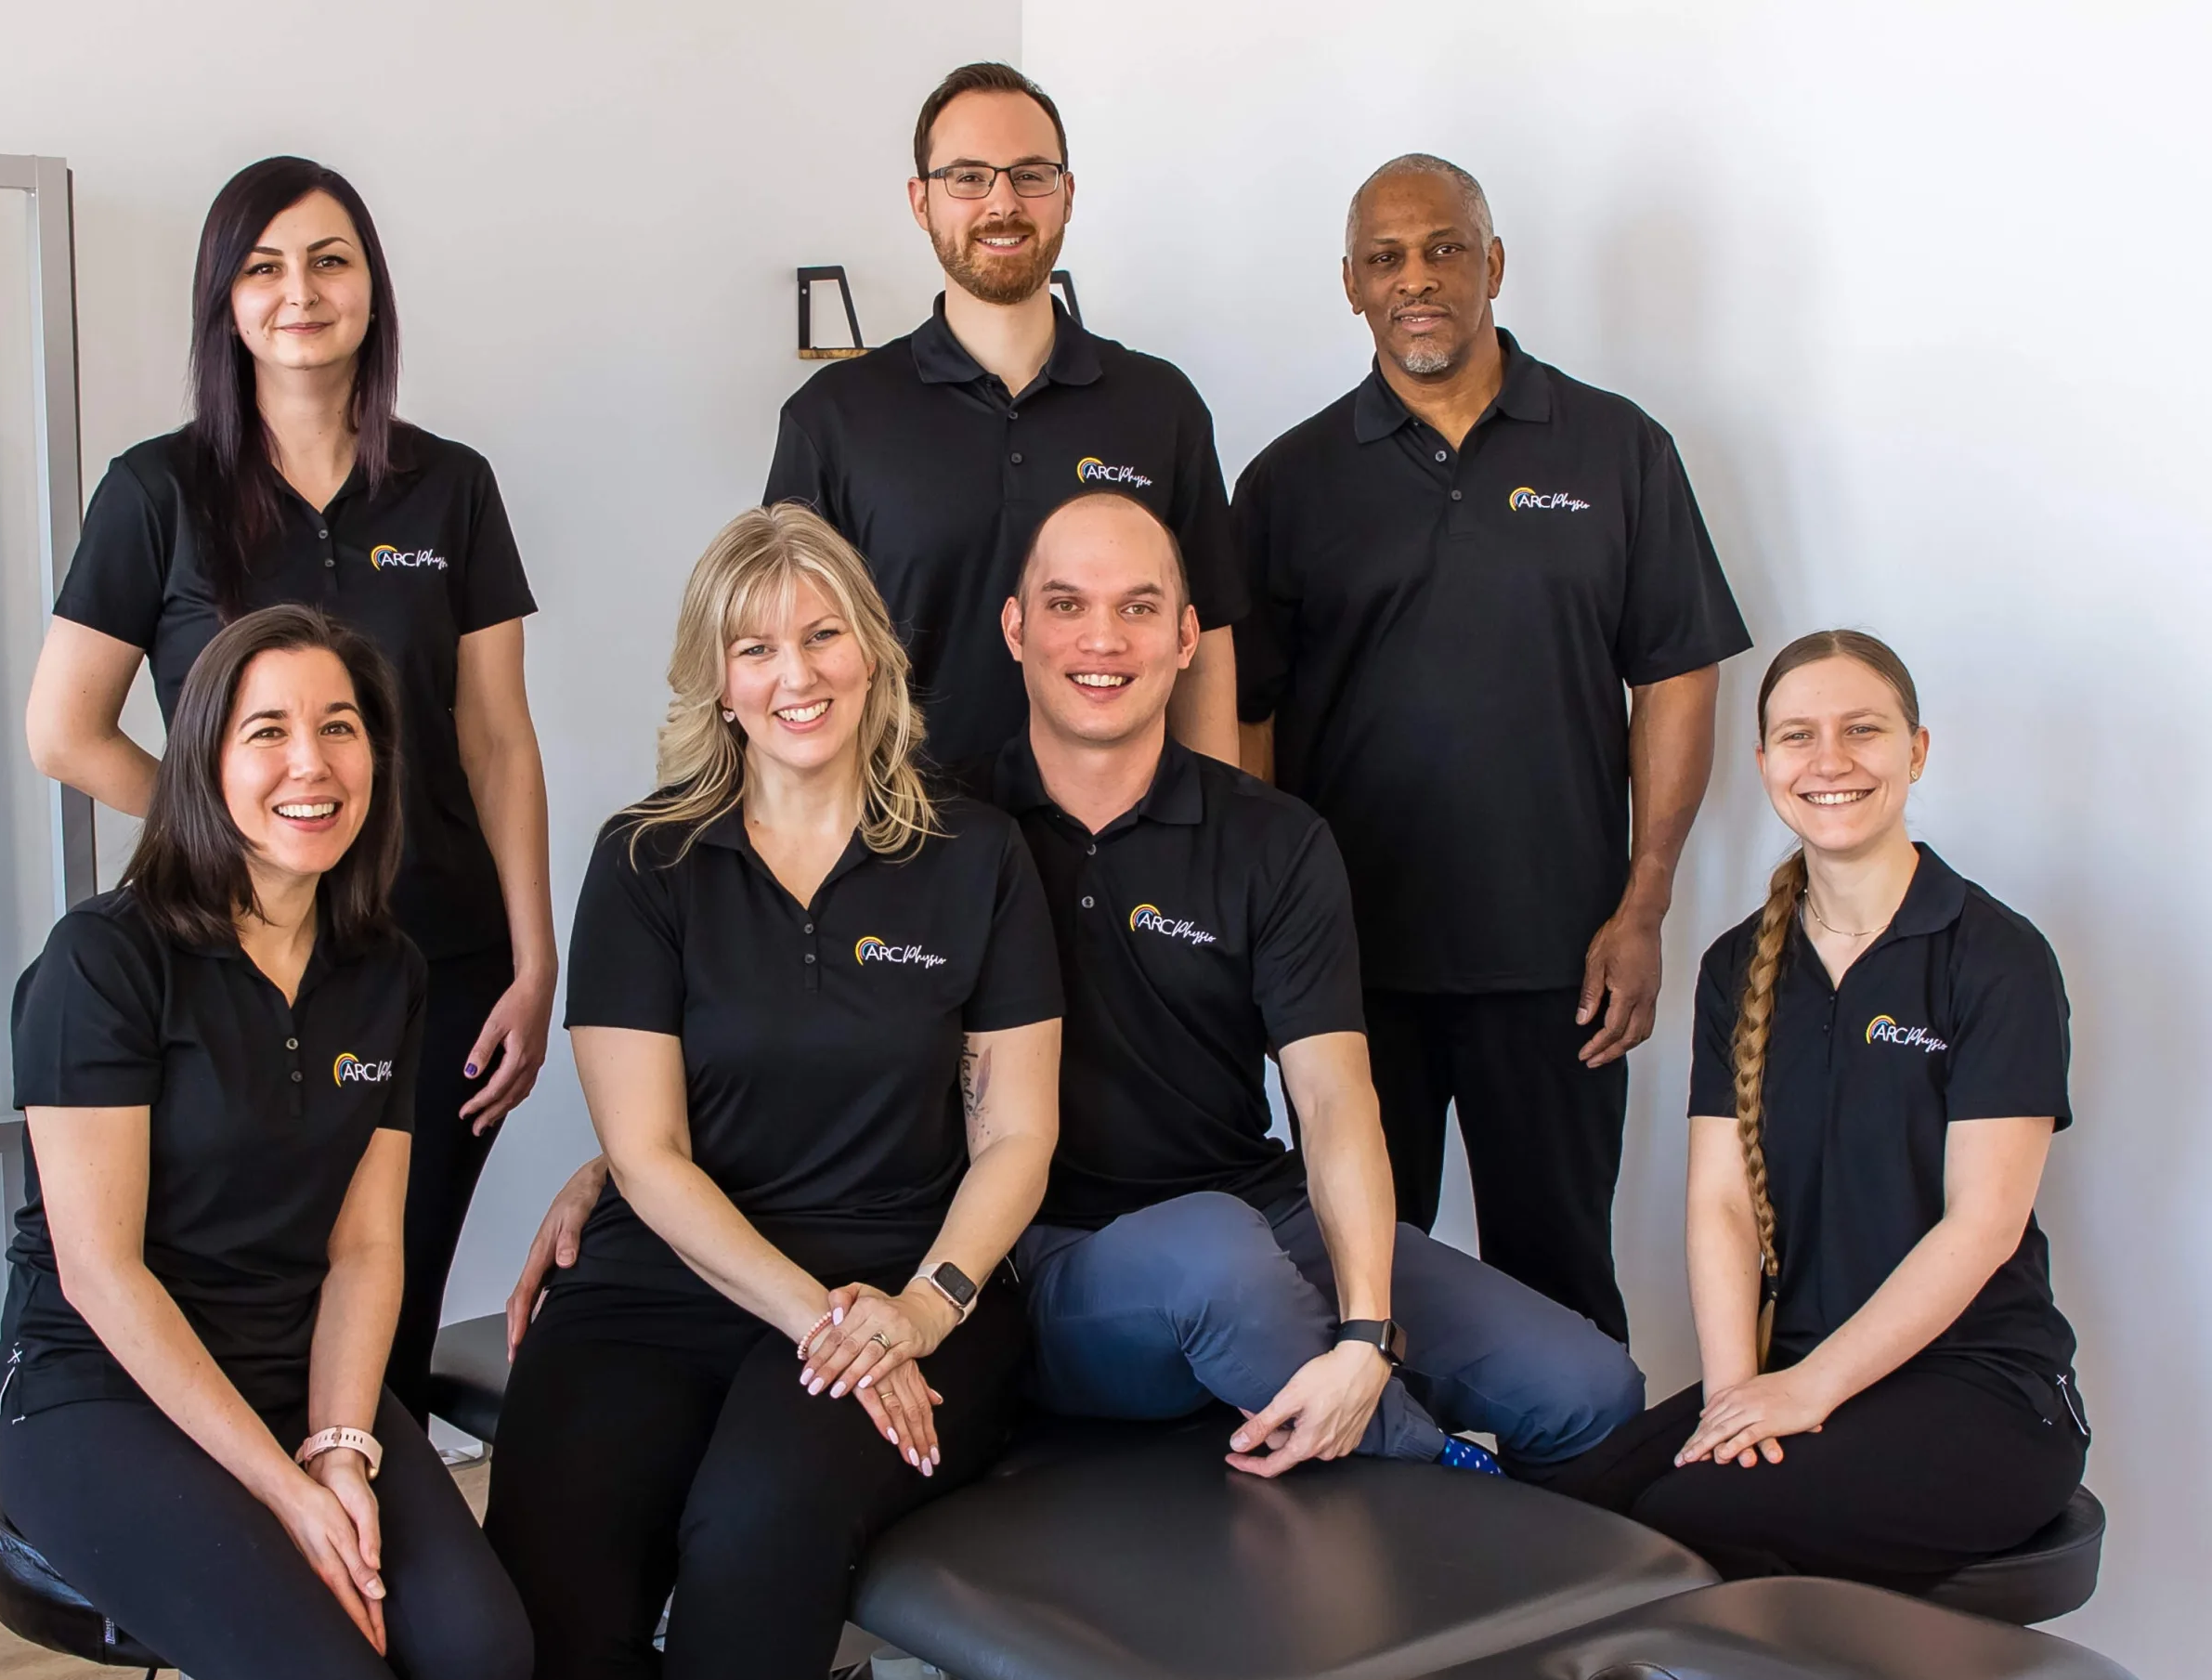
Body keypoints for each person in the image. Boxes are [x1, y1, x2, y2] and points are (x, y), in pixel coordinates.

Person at [519, 494, 1640, 1480]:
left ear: (1187, 636)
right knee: (1216, 1263)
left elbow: (1337, 1101)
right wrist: (617, 1163)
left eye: (1139, 607)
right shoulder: (934, 831)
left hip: (1258, 1209)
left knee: (1590, 1392)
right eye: (1065, 605)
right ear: (1015, 629)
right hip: (1047, 1251)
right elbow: (787, 1023)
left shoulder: (1273, 840)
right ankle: (1436, 1477)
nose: (1100, 638)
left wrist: (1364, 1328)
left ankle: (1543, 1629)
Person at [476, 507, 1062, 1680]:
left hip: (916, 1278)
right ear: (716, 681)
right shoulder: (648, 858)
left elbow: (1016, 1132)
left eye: (824, 635)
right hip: (688, 1271)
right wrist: (823, 1316)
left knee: (748, 1543)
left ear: (875, 652)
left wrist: (921, 1310)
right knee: (537, 1603)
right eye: (757, 646)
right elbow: (646, 1157)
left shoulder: (972, 852)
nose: (796, 672)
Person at [0, 605, 530, 1680]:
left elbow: (368, 1249)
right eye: (270, 732)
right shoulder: (107, 958)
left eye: (344, 728)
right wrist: (282, 1478)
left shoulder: (387, 966)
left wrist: (352, 1447)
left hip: (308, 1379)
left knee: (482, 1646)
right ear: (209, 763)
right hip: (103, 1392)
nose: (314, 766)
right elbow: (103, 1269)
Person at [25, 154, 555, 1422]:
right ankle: (244, 1553)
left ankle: (370, 1536)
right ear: (223, 301)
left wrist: (537, 966)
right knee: (234, 1287)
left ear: (371, 288)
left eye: (328, 260)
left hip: (437, 962)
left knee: (392, 1296)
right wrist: (234, 838)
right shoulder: (157, 492)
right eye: (261, 267)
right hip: (223, 965)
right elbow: (65, 730)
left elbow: (498, 741)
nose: (298, 292)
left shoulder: (451, 486)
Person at [1232, 152, 1751, 1343]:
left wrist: (1646, 905)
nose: (1417, 279)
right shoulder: (1286, 483)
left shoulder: (1617, 451)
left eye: (1445, 248)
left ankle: (1576, 1528)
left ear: (1494, 264)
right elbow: (1242, 724)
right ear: (1351, 286)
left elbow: (1674, 674)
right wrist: (1258, 938)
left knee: (1559, 1280)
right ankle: (1375, 1521)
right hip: (1349, 971)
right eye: (1386, 258)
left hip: (1561, 958)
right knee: (1359, 1288)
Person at [1537, 632, 2088, 1584]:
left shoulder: (1994, 958)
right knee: (1571, 1518)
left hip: (1985, 1391)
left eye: (1861, 731)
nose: (1827, 761)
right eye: (1797, 737)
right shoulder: (1735, 965)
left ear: (1915, 751)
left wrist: (1806, 1391)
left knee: (1686, 1522)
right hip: (1794, 1368)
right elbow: (1720, 1206)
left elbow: (1983, 1225)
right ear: (1763, 767)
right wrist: (1733, 1394)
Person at [766, 59, 1246, 768]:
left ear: (1067, 193)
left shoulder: (1160, 405)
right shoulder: (832, 418)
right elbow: (787, 665)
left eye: (1030, 174)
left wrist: (1213, 844)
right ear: (920, 201)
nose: (1002, 203)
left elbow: (1203, 649)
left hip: (1120, 852)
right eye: (967, 176)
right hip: (904, 850)